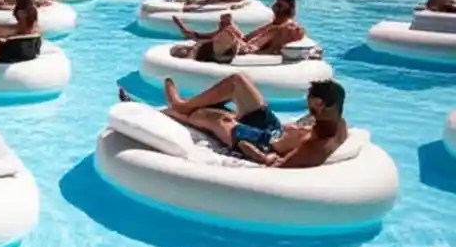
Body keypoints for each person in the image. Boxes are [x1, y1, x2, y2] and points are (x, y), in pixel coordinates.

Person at [122, 75, 348, 168]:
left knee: (212, 117)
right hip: (273, 128)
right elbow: (307, 124)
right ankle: (181, 105)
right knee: (238, 81)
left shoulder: (316, 145)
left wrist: (249, 147)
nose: (307, 106)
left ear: (319, 103)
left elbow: (275, 165)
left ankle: (161, 110)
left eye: (310, 102)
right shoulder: (337, 121)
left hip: (262, 142)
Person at [171, 0, 305, 62]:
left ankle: (195, 39)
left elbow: (263, 48)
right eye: (276, 4)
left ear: (289, 10)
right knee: (226, 22)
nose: (275, 6)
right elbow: (248, 37)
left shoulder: (284, 27)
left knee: (227, 32)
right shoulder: (275, 23)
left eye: (279, 5)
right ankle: (194, 35)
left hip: (247, 50)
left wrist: (242, 43)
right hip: (245, 43)